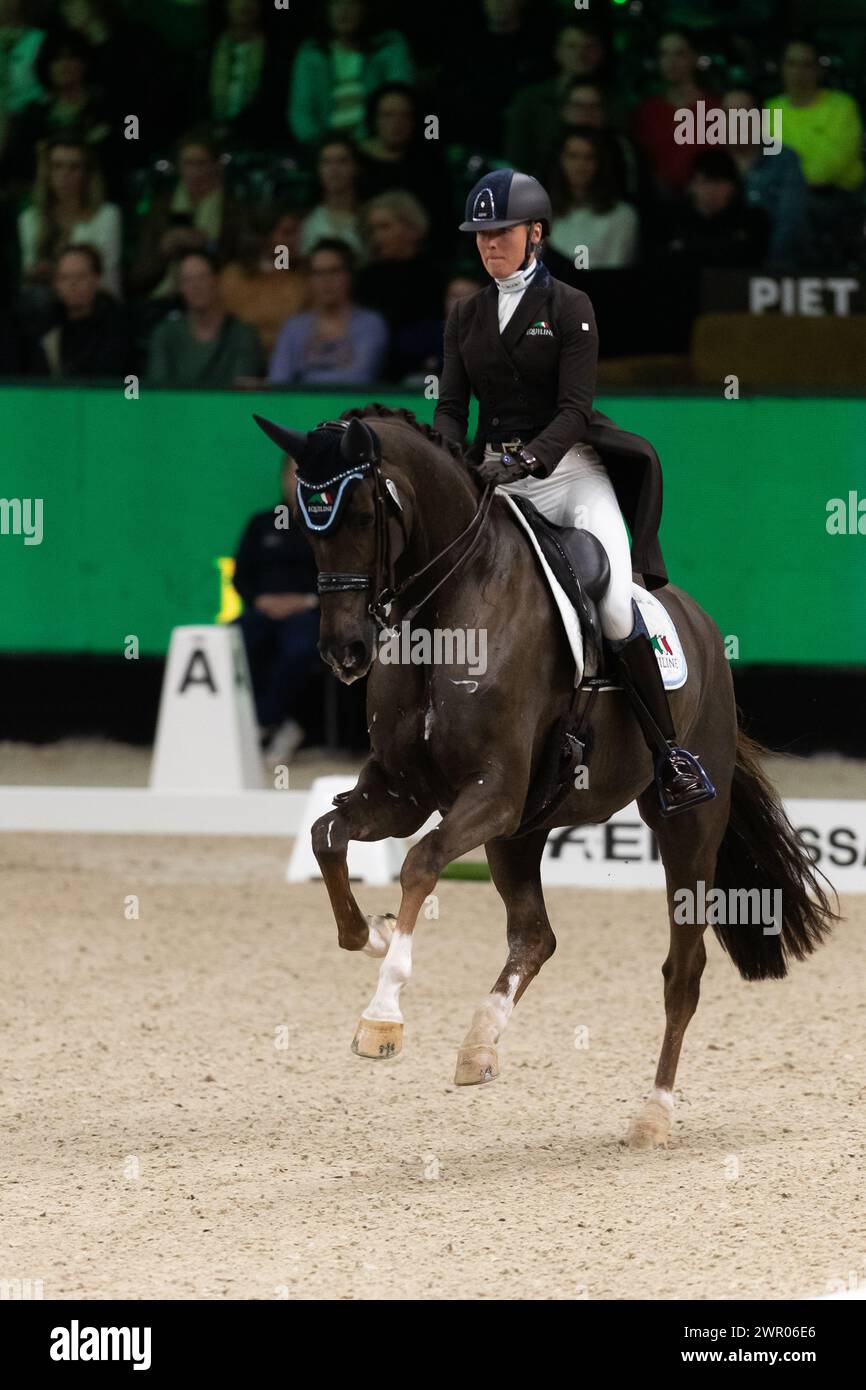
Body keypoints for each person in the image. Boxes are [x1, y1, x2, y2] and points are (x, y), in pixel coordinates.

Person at [432, 167, 716, 815]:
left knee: (613, 603)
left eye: (502, 232)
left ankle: (670, 755)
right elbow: (451, 407)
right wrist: (449, 462)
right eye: (481, 234)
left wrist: (529, 459)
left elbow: (575, 410)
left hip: (567, 475)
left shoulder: (570, 307)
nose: (489, 244)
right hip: (495, 480)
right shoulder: (465, 316)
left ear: (536, 233)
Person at [234, 454, 320, 761]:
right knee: (232, 645)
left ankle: (263, 722)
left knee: (299, 651)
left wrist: (307, 601)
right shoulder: (260, 524)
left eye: (305, 475)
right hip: (262, 612)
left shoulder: (327, 525)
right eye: (293, 474)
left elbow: (339, 576)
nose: (298, 482)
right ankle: (273, 725)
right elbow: (240, 576)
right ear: (283, 477)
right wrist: (259, 600)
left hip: (308, 614)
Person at [129, 129, 246, 301]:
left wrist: (207, 245)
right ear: (179, 166)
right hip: (166, 296)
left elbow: (244, 264)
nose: (195, 171)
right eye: (189, 164)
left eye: (201, 163)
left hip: (220, 296)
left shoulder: (233, 209)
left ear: (215, 165)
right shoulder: (160, 209)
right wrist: (163, 250)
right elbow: (139, 274)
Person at [287, 0, 413, 149]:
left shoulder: (390, 46)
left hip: (378, 147)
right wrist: (323, 148)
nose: (344, 10)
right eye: (336, 3)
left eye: (351, 3)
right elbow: (301, 113)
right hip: (327, 150)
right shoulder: (311, 53)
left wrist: (371, 145)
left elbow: (400, 103)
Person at [268, 238, 387, 385]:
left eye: (334, 271)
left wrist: (306, 382)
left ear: (349, 275)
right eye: (317, 273)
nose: (326, 280)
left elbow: (359, 378)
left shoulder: (370, 324)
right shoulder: (294, 327)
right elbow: (278, 380)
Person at [17, 136, 122, 303]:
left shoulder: (107, 215)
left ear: (87, 173)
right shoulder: (30, 219)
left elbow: (106, 276)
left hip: (97, 303)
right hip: (46, 304)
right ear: (47, 173)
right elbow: (28, 278)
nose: (65, 175)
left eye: (74, 167)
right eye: (57, 166)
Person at [722, 85, 810, 272]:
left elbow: (790, 221)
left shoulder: (784, 159)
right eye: (728, 114)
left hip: (775, 265)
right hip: (720, 266)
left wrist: (764, 269)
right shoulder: (711, 159)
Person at [355, 191, 443, 380]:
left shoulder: (434, 275)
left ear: (412, 228)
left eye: (385, 227)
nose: (377, 237)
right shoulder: (366, 278)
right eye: (373, 230)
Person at [146, 248, 263, 387]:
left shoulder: (242, 334)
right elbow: (159, 388)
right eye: (188, 280)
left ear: (216, 280)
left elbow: (241, 390)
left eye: (202, 277)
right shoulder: (165, 334)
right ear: (180, 287)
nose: (196, 286)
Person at [25, 242, 135, 378]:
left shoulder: (117, 327)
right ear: (56, 284)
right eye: (64, 278)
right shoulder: (43, 327)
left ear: (96, 279)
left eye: (81, 277)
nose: (72, 284)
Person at [220, 206, 308, 356]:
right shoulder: (234, 277)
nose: (296, 240)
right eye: (287, 233)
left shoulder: (303, 277)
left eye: (297, 233)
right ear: (265, 237)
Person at [631, 28, 708, 199]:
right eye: (664, 54)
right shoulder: (645, 112)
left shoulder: (715, 108)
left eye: (679, 54)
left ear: (694, 58)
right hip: (655, 203)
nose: (671, 62)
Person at [548, 128, 639, 269]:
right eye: (573, 156)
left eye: (589, 157)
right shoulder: (544, 214)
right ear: (561, 161)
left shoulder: (622, 216)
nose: (580, 165)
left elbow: (616, 275)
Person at [299, 133, 366, 260]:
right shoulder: (305, 221)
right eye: (326, 162)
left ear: (356, 167)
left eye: (342, 161)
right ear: (318, 169)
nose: (334, 170)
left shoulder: (371, 218)